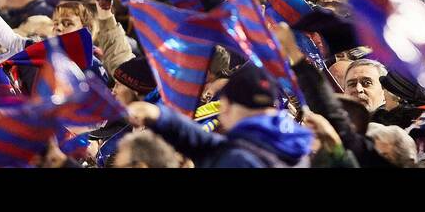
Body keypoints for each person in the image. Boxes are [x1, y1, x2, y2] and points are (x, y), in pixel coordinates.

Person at [126, 63, 313, 168]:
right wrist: (159, 115)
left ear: (225, 106)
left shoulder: (238, 161)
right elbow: (205, 143)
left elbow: (212, 148)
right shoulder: (298, 149)